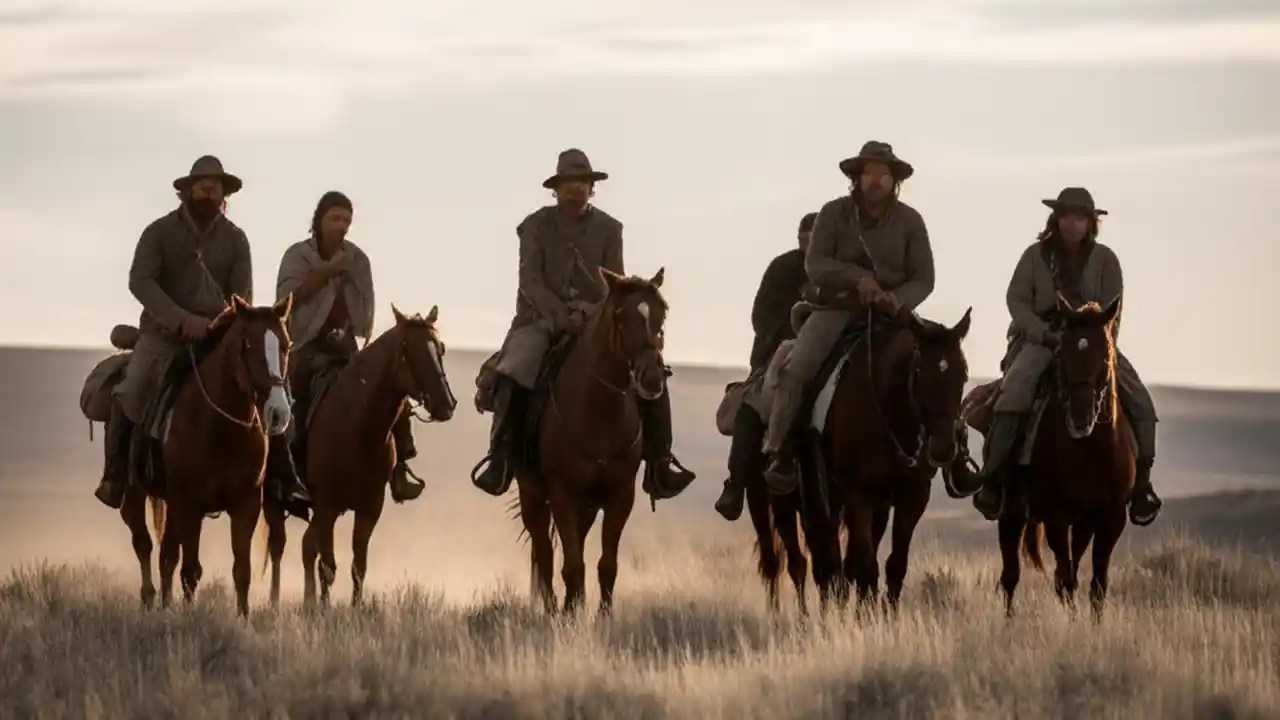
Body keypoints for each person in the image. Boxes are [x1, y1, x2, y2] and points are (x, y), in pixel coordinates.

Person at [470, 148, 696, 501]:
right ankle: (501, 456)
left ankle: (659, 460)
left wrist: (589, 315)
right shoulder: (534, 227)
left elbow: (615, 285)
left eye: (583, 182)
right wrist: (562, 316)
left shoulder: (610, 228)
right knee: (515, 370)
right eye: (568, 183)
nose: (576, 188)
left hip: (597, 319)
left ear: (593, 188)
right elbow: (530, 282)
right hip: (540, 318)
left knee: (650, 369)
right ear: (556, 189)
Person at [971, 187, 1162, 526]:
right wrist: (1042, 334)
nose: (1073, 224)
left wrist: (1100, 345)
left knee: (1141, 402)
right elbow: (1016, 301)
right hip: (1042, 339)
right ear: (1056, 219)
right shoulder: (1035, 256)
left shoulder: (1106, 260)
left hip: (1092, 343)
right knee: (1015, 390)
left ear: (1091, 223)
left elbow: (1113, 311)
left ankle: (1142, 483)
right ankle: (995, 477)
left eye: (1080, 218)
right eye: (1067, 217)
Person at [761, 141, 936, 495]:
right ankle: (782, 450)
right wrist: (859, 280)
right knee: (798, 369)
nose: (876, 181)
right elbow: (816, 264)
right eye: (869, 172)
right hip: (838, 309)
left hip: (893, 314)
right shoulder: (833, 214)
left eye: (884, 174)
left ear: (894, 181)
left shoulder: (911, 221)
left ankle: (947, 450)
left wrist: (897, 299)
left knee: (938, 364)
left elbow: (924, 277)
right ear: (857, 177)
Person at [95, 156, 254, 508]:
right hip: (163, 337)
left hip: (216, 340)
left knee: (266, 391)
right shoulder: (159, 232)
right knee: (132, 391)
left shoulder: (236, 240)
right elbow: (140, 280)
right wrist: (181, 320)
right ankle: (115, 476)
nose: (210, 193)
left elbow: (242, 296)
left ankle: (275, 479)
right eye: (203, 186)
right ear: (187, 191)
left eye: (216, 188)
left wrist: (219, 325)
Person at [714, 212, 816, 520]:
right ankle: (736, 483)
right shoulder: (782, 268)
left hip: (829, 351)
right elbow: (761, 316)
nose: (810, 246)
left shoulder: (839, 271)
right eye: (806, 239)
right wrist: (787, 337)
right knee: (752, 407)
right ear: (799, 240)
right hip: (778, 355)